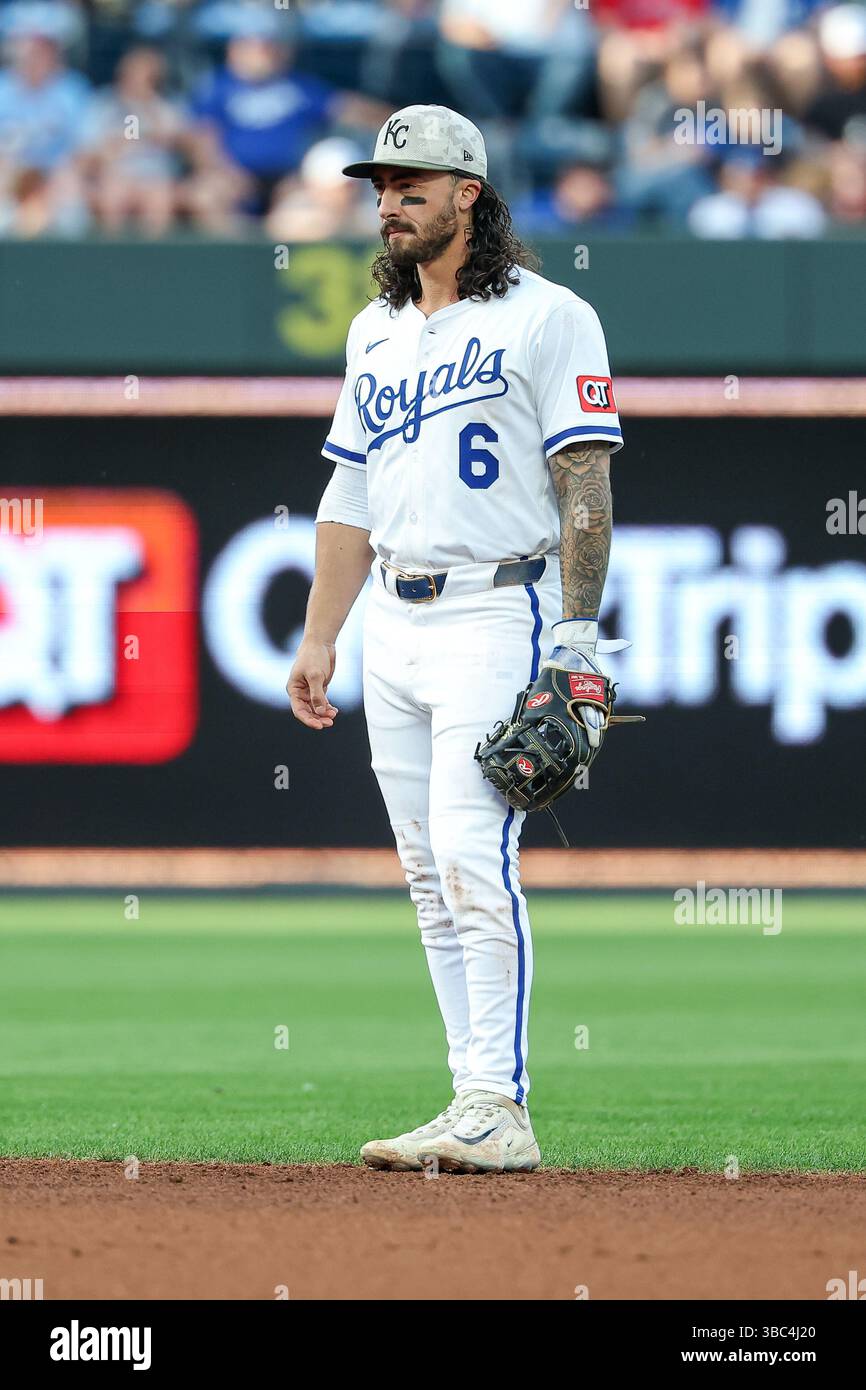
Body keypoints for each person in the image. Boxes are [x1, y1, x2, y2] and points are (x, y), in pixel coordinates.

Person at [287, 105, 623, 1174]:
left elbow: (584, 483)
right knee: (428, 870)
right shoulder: (373, 329)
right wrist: (319, 632)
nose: (388, 201)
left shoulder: (548, 314)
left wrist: (574, 634)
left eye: (412, 183)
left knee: (474, 853)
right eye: (380, 185)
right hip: (390, 614)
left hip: (494, 605)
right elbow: (349, 490)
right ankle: (467, 1093)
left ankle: (499, 1104)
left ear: (467, 194)